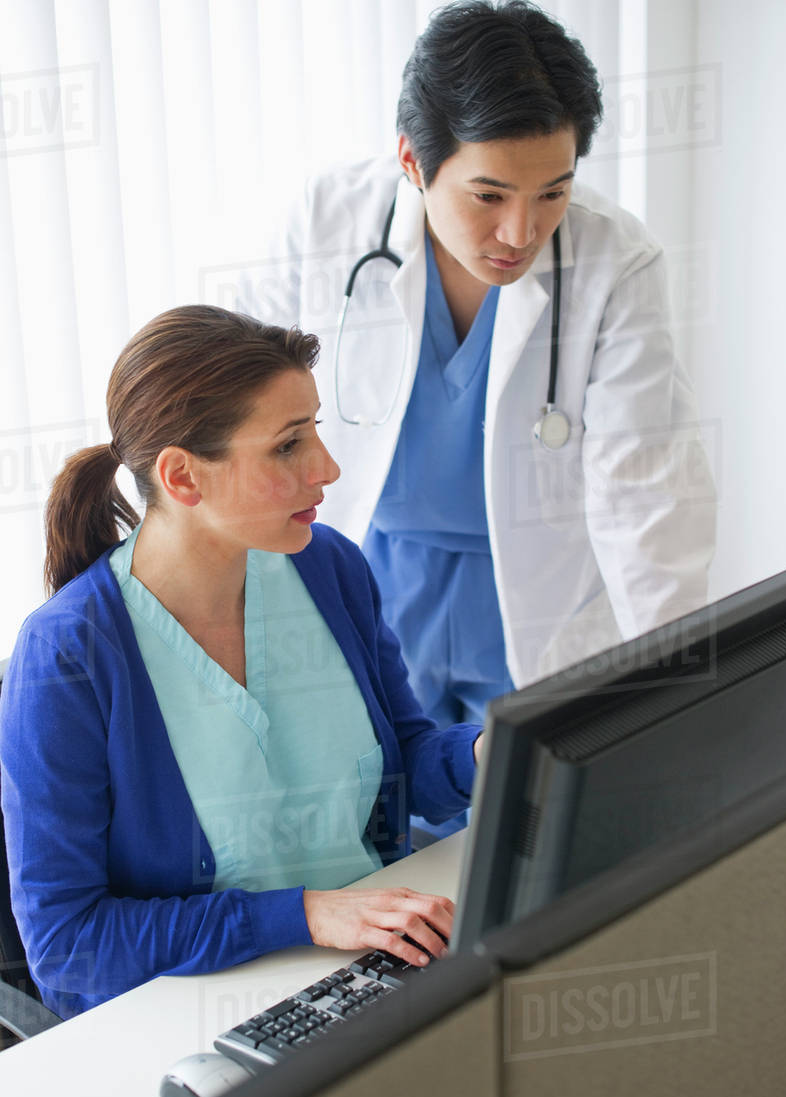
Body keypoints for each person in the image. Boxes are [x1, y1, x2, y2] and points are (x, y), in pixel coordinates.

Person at [233, 0, 716, 787]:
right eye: (488, 196)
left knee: (526, 840)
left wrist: (679, 702)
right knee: (376, 829)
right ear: (413, 162)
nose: (522, 233)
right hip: (376, 580)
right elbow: (237, 423)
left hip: (539, 597)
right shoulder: (327, 222)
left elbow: (650, 500)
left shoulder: (614, 262)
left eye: (552, 193)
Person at [0, 305, 481, 1020]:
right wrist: (306, 916)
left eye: (315, 429)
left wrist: (482, 751)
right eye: (288, 447)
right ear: (184, 478)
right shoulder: (70, 655)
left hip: (377, 970)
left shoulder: (329, 569)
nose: (328, 467)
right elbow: (71, 945)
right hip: (193, 1021)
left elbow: (402, 762)